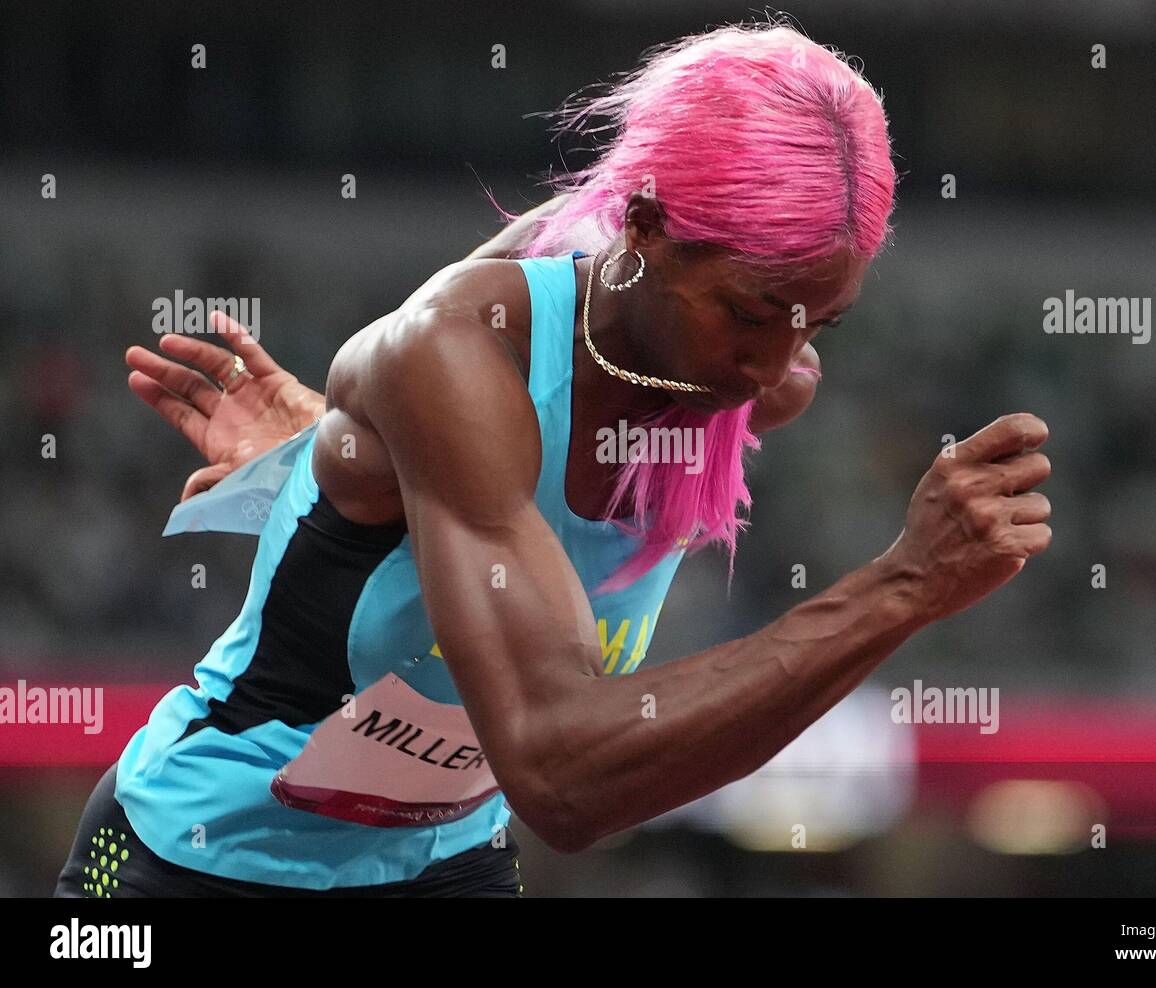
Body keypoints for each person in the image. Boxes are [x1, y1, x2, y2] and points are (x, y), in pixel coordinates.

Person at [55, 20, 1051, 898]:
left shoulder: (745, 375)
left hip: (446, 866)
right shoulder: (454, 352)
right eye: (751, 313)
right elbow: (560, 775)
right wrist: (902, 586)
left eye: (818, 323)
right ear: (647, 228)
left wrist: (339, 450)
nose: (774, 368)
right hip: (200, 860)